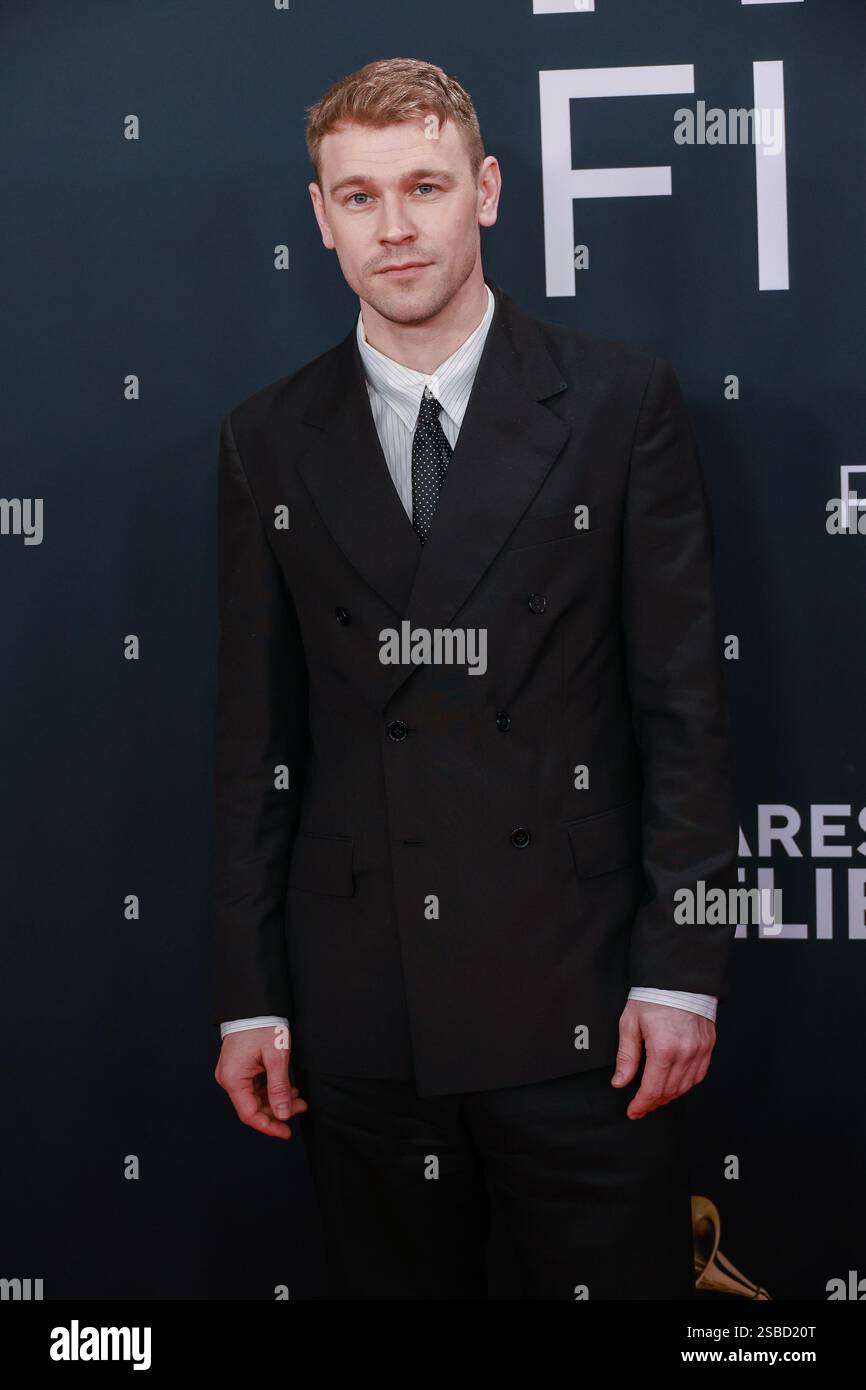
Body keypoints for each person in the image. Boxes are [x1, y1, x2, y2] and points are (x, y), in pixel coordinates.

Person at [211, 57, 739, 1300]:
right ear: (319, 216)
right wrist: (248, 998)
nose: (392, 228)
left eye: (424, 186)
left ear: (487, 191)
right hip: (359, 1013)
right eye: (356, 197)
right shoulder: (264, 437)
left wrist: (680, 969)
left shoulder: (618, 404)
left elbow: (685, 710)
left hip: (585, 1004)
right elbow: (254, 741)